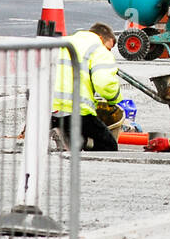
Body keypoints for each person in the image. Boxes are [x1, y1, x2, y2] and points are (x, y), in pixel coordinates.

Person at [52, 23, 122, 152]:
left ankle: (62, 136)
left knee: (79, 139)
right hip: (75, 110)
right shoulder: (98, 49)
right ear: (101, 38)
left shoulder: (64, 41)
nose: (109, 51)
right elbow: (104, 82)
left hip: (48, 108)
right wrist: (114, 100)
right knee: (109, 146)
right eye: (109, 47)